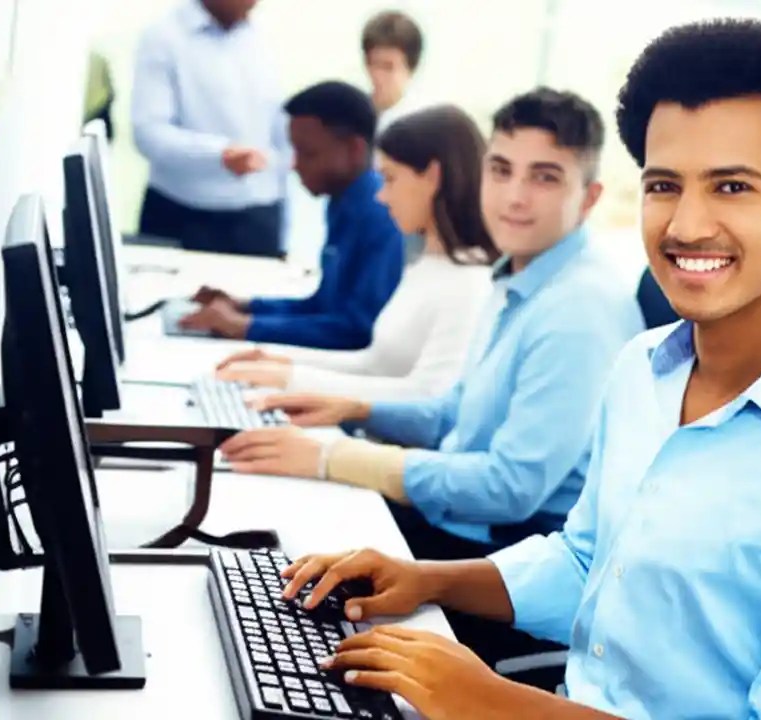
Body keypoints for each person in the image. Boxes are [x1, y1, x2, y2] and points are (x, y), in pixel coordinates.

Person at [250, 20, 761, 719]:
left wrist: (490, 700)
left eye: (731, 187)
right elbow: (587, 564)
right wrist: (424, 578)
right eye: (665, 185)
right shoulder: (642, 369)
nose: (685, 225)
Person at [218, 87, 643, 555]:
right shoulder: (521, 277)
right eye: (501, 171)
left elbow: (509, 490)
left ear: (589, 198)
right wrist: (353, 409)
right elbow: (453, 414)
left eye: (545, 178)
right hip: (466, 522)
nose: (514, 197)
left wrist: (331, 456)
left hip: (505, 553)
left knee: (286, 535)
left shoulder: (577, 309)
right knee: (263, 516)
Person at [212, 105, 497, 403]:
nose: (381, 195)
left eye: (390, 178)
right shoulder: (428, 266)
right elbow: (374, 365)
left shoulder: (468, 284)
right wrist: (276, 361)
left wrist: (291, 379)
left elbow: (429, 396)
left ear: (432, 176)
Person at [180, 82, 405, 349]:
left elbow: (357, 330)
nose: (295, 165)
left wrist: (243, 326)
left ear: (354, 150)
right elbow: (323, 305)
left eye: (308, 153)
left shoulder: (380, 214)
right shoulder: (343, 201)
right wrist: (245, 307)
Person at [131, 0, 289, 257]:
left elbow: (280, 131)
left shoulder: (266, 37)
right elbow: (148, 132)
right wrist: (219, 155)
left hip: (257, 219)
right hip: (182, 216)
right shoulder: (163, 37)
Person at [361, 9, 427, 132]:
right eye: (374, 64)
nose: (378, 76)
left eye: (388, 67)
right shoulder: (352, 118)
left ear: (411, 69)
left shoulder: (422, 126)